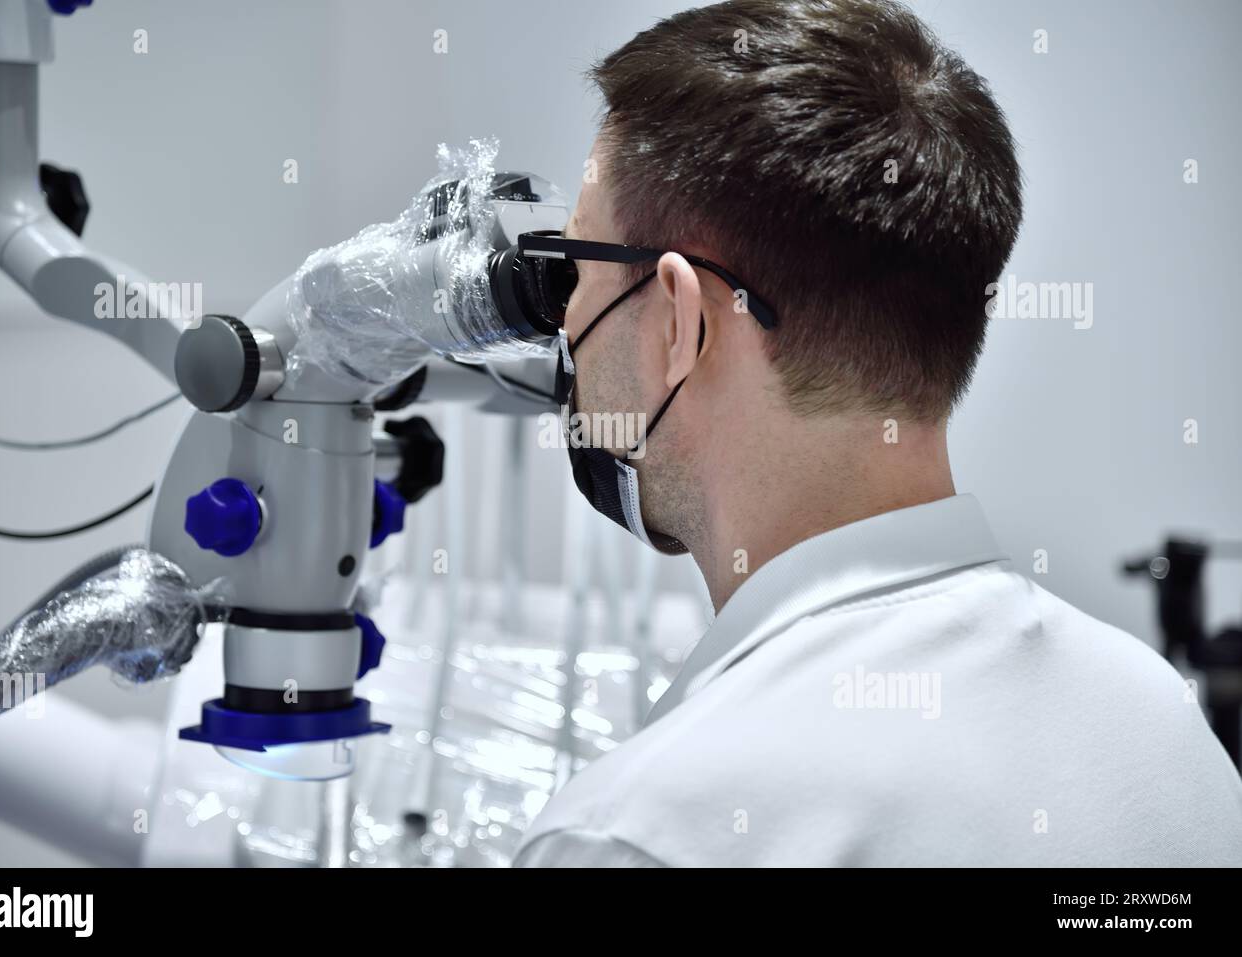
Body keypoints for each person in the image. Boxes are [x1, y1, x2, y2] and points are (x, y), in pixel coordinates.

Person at [511, 0, 1242, 866]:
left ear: (680, 320)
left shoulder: (639, 833)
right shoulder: (1165, 732)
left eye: (576, 268)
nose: (564, 323)